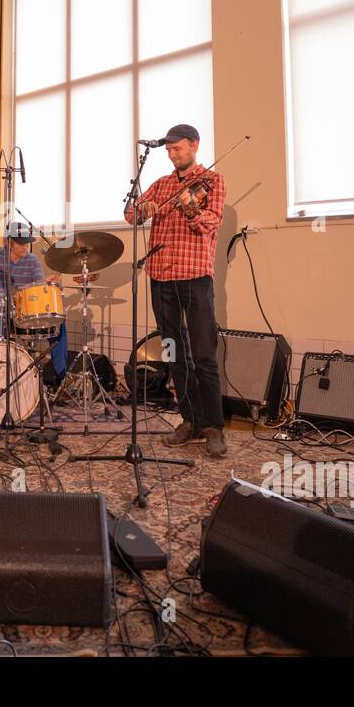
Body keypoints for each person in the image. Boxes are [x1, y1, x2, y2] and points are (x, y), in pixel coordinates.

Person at [125, 123, 228, 458]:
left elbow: (211, 223)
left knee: (202, 354)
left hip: (195, 278)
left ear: (194, 146)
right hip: (162, 279)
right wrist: (144, 208)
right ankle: (188, 421)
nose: (172, 154)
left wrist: (189, 207)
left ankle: (213, 427)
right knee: (173, 352)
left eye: (178, 149)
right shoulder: (162, 184)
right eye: (168, 150)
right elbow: (129, 213)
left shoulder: (213, 181)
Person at [0, 226, 68, 381]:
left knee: (59, 327)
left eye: (27, 243)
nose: (25, 247)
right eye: (21, 243)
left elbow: (38, 288)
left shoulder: (32, 260)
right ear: (8, 242)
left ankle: (60, 378)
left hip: (23, 313)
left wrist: (46, 283)